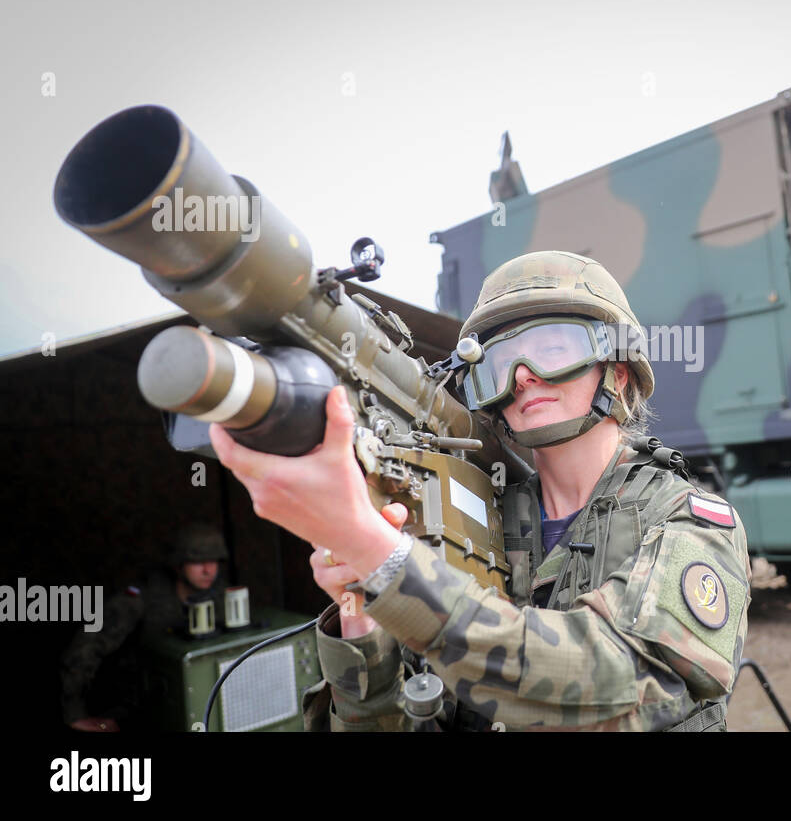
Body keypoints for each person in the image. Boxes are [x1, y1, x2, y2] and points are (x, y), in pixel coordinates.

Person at [209, 250, 752, 731]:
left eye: (552, 349)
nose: (521, 376)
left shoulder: (690, 521)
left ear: (620, 372)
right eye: (498, 363)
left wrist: (382, 557)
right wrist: (362, 615)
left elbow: (612, 691)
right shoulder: (479, 523)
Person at [60, 523, 228, 731]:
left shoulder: (220, 595)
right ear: (178, 565)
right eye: (197, 562)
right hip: (138, 706)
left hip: (198, 701)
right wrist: (74, 713)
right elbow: (86, 646)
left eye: (213, 561)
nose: (208, 570)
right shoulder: (140, 599)